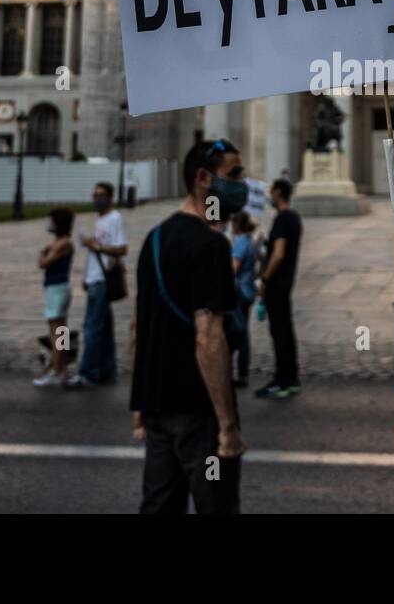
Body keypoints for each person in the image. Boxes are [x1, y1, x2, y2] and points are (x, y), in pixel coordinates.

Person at [130, 138, 247, 513]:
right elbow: (209, 337)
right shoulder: (211, 247)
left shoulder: (155, 238)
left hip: (157, 408)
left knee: (160, 505)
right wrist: (227, 425)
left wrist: (140, 403)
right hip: (199, 414)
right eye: (233, 174)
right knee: (215, 502)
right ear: (203, 178)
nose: (242, 183)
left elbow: (138, 327)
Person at [72, 182, 127, 387]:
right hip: (94, 279)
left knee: (92, 327)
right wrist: (86, 276)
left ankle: (88, 372)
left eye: (101, 195)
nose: (97, 199)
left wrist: (94, 245)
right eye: (94, 195)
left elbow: (122, 249)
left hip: (102, 281)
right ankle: (107, 369)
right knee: (104, 329)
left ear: (111, 197)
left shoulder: (115, 218)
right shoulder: (101, 220)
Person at [257, 177, 303, 399]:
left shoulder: (283, 219)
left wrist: (264, 279)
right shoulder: (293, 218)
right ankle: (290, 377)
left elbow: (278, 253)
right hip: (286, 282)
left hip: (276, 284)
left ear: (277, 193)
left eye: (271, 191)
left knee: (279, 332)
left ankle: (283, 380)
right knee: (285, 330)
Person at [34, 207, 75, 388]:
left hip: (56, 289)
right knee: (61, 331)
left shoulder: (62, 243)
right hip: (58, 287)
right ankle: (62, 368)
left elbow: (44, 263)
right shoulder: (61, 242)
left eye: (51, 221)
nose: (49, 224)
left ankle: (57, 371)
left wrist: (42, 254)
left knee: (56, 332)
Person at [229, 210, 259, 389]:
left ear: (236, 225)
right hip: (248, 290)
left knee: (236, 332)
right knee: (243, 331)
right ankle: (243, 372)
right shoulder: (250, 241)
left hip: (239, 291)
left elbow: (233, 268)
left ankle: (233, 371)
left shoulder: (240, 242)